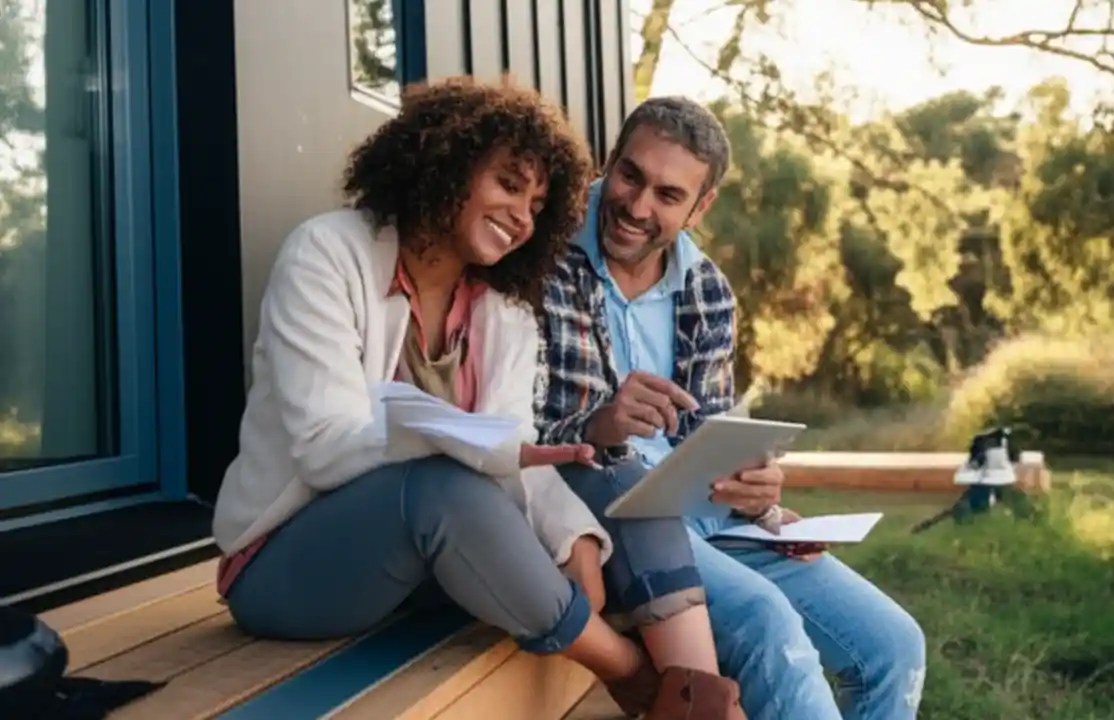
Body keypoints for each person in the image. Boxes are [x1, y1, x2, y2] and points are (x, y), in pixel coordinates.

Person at [209, 76, 737, 719]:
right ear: (449, 165)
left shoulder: (502, 308)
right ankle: (632, 676)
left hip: (429, 570)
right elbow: (325, 451)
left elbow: (512, 451)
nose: (523, 216)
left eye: (538, 203)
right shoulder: (326, 255)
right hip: (288, 563)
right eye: (508, 185)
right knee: (443, 486)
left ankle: (698, 699)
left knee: (626, 489)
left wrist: (578, 540)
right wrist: (452, 439)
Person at [536, 95, 929, 720]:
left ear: (700, 207)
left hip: (704, 522)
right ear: (610, 162)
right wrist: (600, 423)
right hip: (608, 520)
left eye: (668, 196)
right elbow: (510, 425)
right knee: (769, 623)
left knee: (893, 645)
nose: (637, 207)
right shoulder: (543, 251)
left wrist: (755, 493)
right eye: (630, 176)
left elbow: (705, 432)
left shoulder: (707, 289)